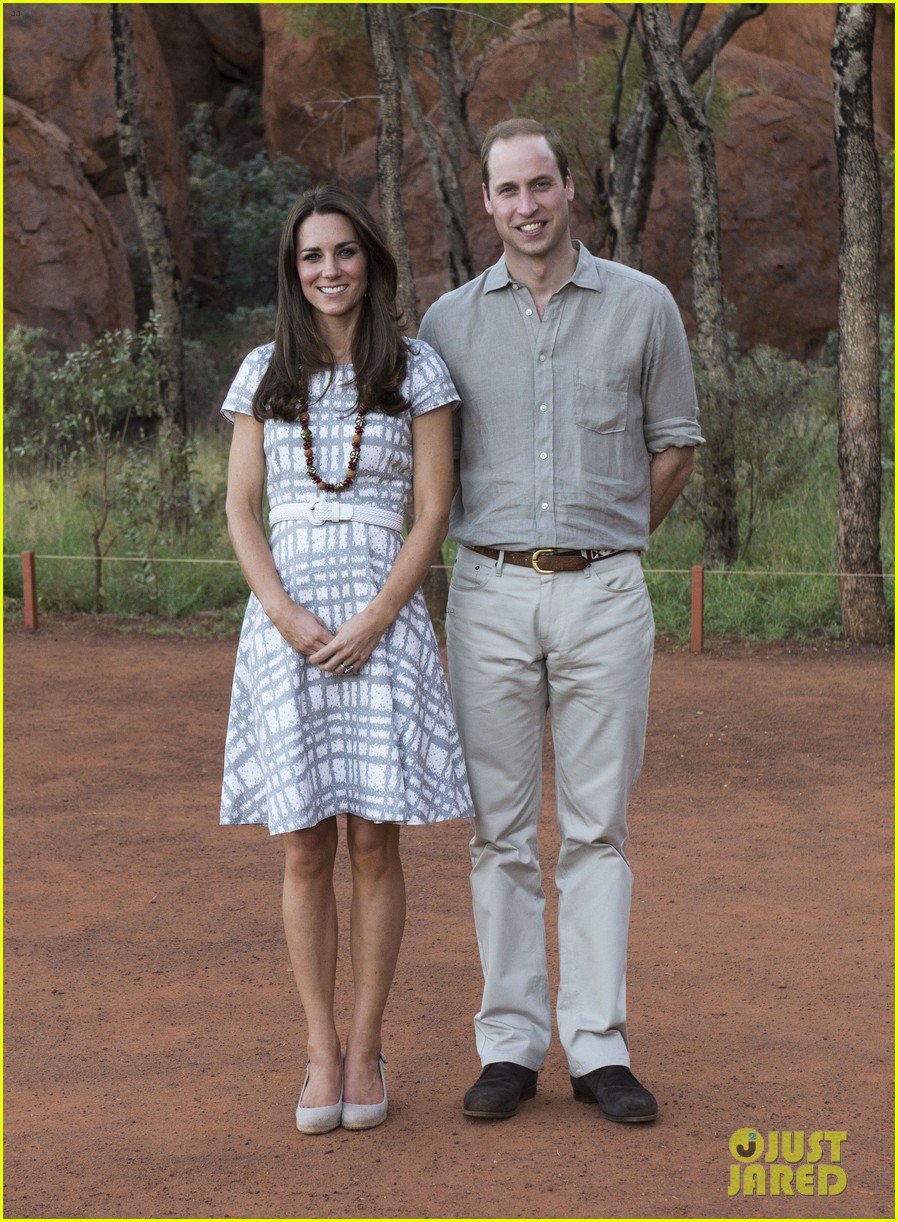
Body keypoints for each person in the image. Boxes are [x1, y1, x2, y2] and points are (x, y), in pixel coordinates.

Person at [418, 118, 704, 1124]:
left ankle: (597, 1045)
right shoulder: (447, 324)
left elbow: (673, 444)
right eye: (507, 190)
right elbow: (427, 468)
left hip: (604, 592)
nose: (526, 205)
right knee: (496, 831)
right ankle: (508, 1044)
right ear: (485, 204)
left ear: (569, 187)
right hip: (487, 590)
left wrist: (614, 538)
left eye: (541, 183)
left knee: (598, 829)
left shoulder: (642, 307)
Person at [220, 185, 473, 1135]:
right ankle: (319, 1051)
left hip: (383, 621)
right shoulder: (261, 373)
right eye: (311, 257)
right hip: (285, 630)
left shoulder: (418, 371)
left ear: (371, 259)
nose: (329, 270)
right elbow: (243, 510)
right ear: (295, 273)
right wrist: (281, 611)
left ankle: (368, 1049)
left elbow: (434, 510)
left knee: (373, 840)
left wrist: (375, 618)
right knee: (302, 844)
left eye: (344, 253)